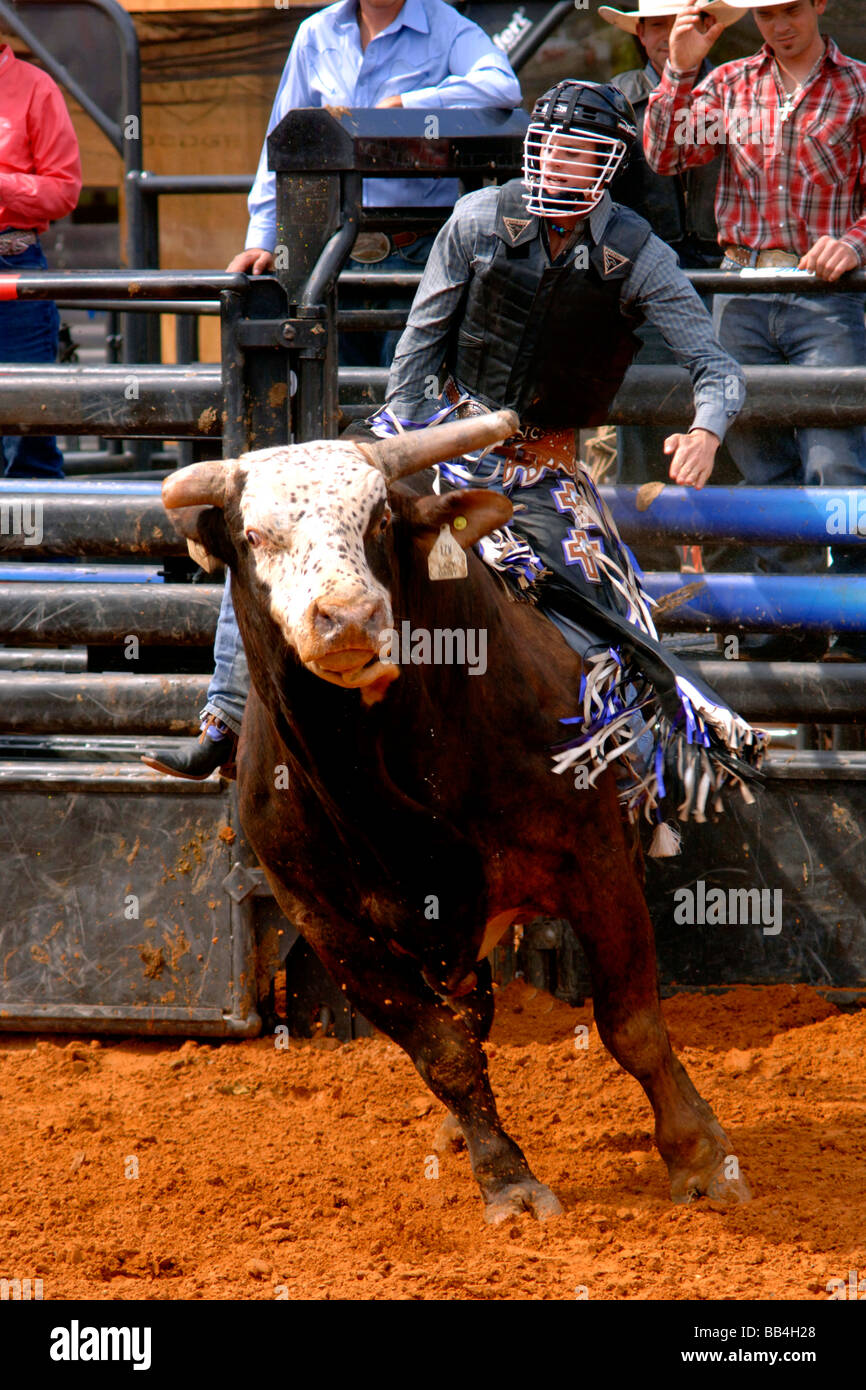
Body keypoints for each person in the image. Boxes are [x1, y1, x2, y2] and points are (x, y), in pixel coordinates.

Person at [148, 81, 763, 831]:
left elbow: (717, 366)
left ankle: (630, 794)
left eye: (581, 153)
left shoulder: (637, 254)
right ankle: (224, 718)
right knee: (284, 528)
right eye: (553, 147)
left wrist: (704, 429)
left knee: (615, 631)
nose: (562, 164)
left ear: (606, 167)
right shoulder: (477, 221)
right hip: (434, 433)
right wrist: (397, 457)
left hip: (544, 471)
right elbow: (417, 351)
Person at [644, 0, 866, 661]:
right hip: (741, 289)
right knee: (763, 467)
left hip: (825, 294)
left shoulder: (858, 85)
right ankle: (793, 622)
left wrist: (855, 244)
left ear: (818, 4)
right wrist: (680, 70)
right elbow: (665, 155)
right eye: (766, 13)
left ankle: (851, 618)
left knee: (837, 464)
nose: (779, 25)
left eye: (790, 9)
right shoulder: (730, 81)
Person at [229, 0, 521, 366]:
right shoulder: (315, 33)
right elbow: (285, 141)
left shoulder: (444, 24)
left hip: (417, 256)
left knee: (408, 401)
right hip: (329, 255)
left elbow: (502, 86)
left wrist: (412, 104)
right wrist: (262, 240)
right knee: (327, 399)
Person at [602, 2, 735, 573]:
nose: (668, 36)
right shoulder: (611, 98)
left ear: (709, 29)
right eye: (656, 24)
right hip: (640, 285)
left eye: (683, 22)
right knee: (638, 430)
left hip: (725, 276)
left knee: (733, 429)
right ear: (639, 32)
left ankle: (734, 595)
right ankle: (647, 583)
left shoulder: (736, 88)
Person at [0, 42, 81, 478]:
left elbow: (64, 190)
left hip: (11, 270)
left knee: (25, 435)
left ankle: (34, 545)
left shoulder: (34, 87)